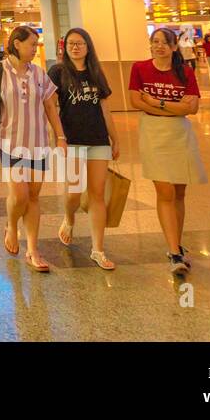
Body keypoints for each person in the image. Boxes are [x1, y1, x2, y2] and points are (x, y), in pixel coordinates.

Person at [0, 25, 66, 273]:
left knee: (34, 196)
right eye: (32, 44)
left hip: (38, 144)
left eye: (36, 44)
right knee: (20, 195)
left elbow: (50, 108)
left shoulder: (39, 74)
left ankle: (33, 250)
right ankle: (12, 225)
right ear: (17, 43)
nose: (35, 48)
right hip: (10, 142)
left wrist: (60, 137)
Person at [129, 27, 207, 275]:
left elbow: (192, 108)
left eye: (164, 42)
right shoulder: (139, 68)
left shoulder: (185, 71)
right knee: (165, 190)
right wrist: (173, 107)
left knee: (179, 192)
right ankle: (174, 252)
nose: (159, 46)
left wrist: (156, 103)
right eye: (155, 42)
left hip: (179, 134)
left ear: (174, 47)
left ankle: (176, 242)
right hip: (153, 133)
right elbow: (136, 101)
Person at [50, 27, 120, 270]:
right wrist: (59, 136)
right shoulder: (58, 72)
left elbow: (105, 109)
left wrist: (115, 138)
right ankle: (69, 218)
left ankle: (98, 249)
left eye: (79, 43)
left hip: (98, 139)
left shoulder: (96, 72)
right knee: (74, 193)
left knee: (97, 194)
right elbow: (50, 107)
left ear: (88, 46)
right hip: (73, 140)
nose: (75, 47)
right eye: (70, 43)